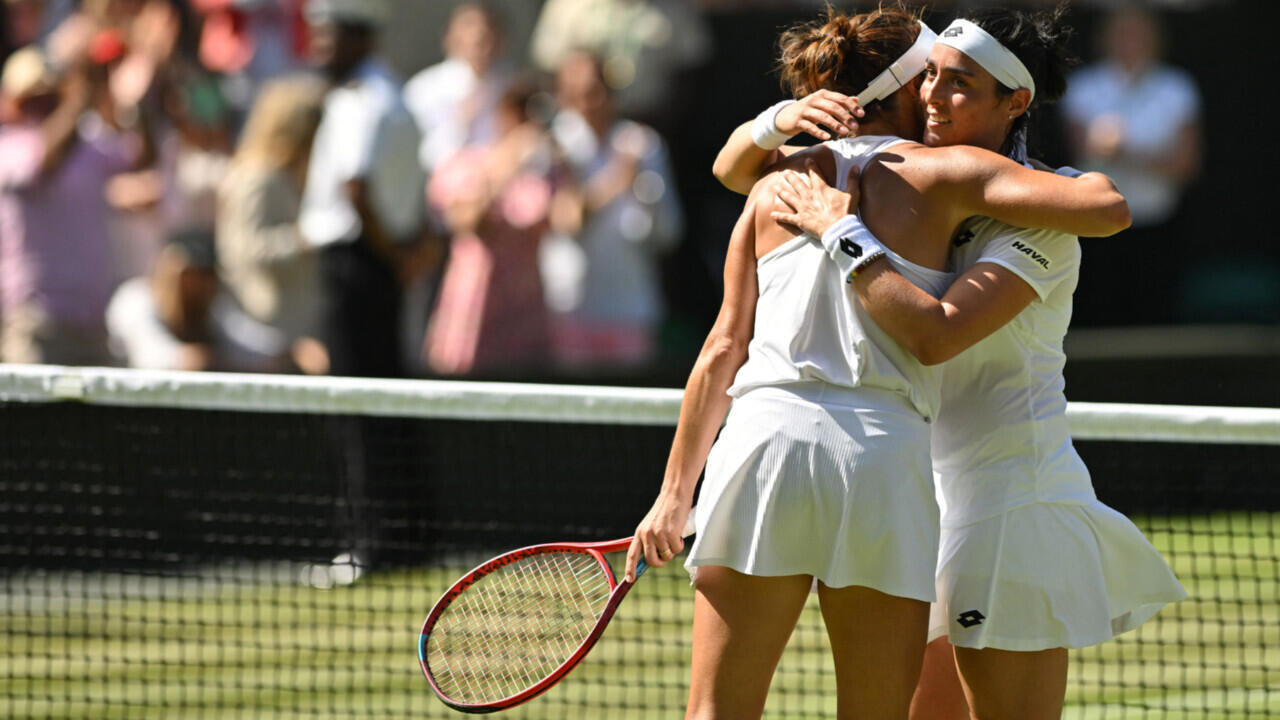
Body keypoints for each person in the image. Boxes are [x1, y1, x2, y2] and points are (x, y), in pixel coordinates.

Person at [622, 7, 1136, 719]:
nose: (934, 97)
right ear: (900, 91)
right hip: (886, 460)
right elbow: (1104, 206)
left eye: (954, 83)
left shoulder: (773, 186)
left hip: (807, 454)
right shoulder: (946, 174)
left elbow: (721, 344)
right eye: (929, 79)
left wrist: (675, 494)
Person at [0, 43, 154, 366]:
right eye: (34, 96)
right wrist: (79, 98)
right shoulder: (8, 148)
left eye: (51, 94)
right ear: (10, 101)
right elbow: (44, 159)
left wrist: (131, 98)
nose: (44, 105)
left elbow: (140, 154)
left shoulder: (86, 145)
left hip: (94, 325)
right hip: (37, 325)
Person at [298, 0, 427, 378]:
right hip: (378, 256)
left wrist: (389, 255)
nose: (317, 46)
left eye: (328, 36)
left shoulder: (363, 99)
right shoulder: (387, 92)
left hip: (360, 261)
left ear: (359, 39)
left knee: (355, 387)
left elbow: (356, 187)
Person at [543, 49, 684, 379]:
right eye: (575, 93)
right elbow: (566, 221)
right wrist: (617, 180)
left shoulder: (643, 143)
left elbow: (668, 233)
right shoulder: (553, 143)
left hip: (631, 306)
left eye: (594, 90)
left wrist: (645, 197)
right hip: (568, 306)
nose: (587, 102)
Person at [1061, 6, 1202, 326]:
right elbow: (1080, 152)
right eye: (1122, 34)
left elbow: (1185, 165)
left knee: (1157, 318)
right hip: (1097, 231)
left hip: (1159, 226)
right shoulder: (1084, 87)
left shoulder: (1177, 88)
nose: (1130, 42)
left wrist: (1124, 151)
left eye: (1138, 34)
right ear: (1106, 39)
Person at [421, 77, 566, 379]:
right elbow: (468, 223)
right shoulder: (469, 164)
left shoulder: (545, 174)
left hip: (525, 309)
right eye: (520, 111)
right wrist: (507, 166)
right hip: (474, 305)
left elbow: (566, 221)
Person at [216, 73, 328, 375]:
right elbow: (244, 250)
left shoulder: (288, 176)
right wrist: (302, 240)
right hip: (264, 328)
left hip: (291, 323)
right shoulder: (258, 178)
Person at [402, 1, 511, 177]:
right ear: (450, 36)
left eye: (488, 30)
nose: (479, 35)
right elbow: (422, 155)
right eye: (469, 26)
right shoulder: (424, 89)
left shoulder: (511, 84)